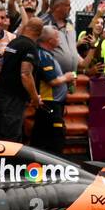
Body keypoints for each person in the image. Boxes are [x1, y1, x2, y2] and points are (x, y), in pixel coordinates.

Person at [0, 16, 42, 141]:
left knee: (1, 132)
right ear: (39, 33)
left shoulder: (14, 42)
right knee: (11, 136)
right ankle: (9, 160)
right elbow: (25, 74)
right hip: (14, 98)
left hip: (2, 94)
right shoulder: (30, 47)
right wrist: (35, 97)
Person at [32, 26, 74, 154]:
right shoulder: (44, 56)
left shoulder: (48, 55)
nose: (59, 40)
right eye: (57, 37)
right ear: (50, 40)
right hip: (49, 104)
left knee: (45, 137)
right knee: (54, 138)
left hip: (54, 104)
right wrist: (66, 78)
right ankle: (51, 168)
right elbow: (52, 81)